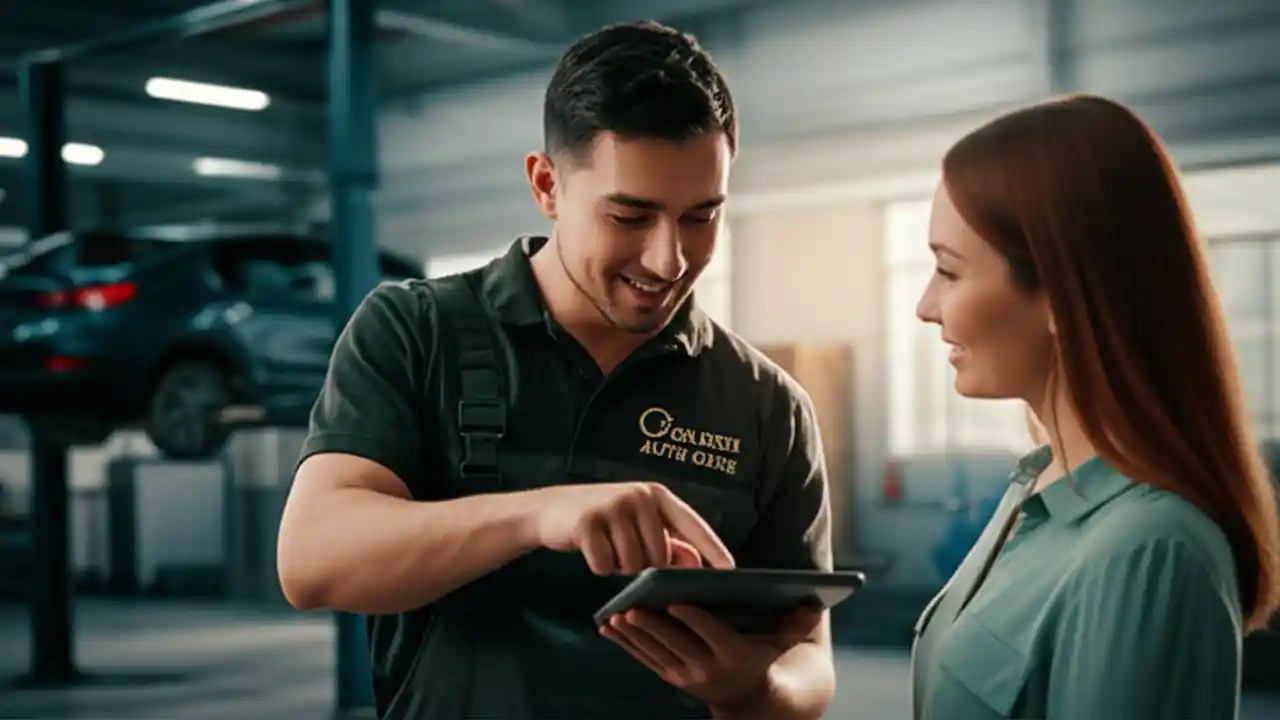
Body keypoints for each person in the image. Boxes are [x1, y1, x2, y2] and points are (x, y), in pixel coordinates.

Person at [276, 20, 836, 720]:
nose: (670, 260)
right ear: (546, 185)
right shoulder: (415, 332)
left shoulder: (766, 406)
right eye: (630, 216)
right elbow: (312, 561)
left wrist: (756, 690)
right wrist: (540, 513)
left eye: (701, 217)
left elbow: (810, 659)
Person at [910, 93, 1280, 719]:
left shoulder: (1149, 551)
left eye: (949, 271)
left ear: (1061, 291)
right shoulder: (1035, 490)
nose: (925, 305)